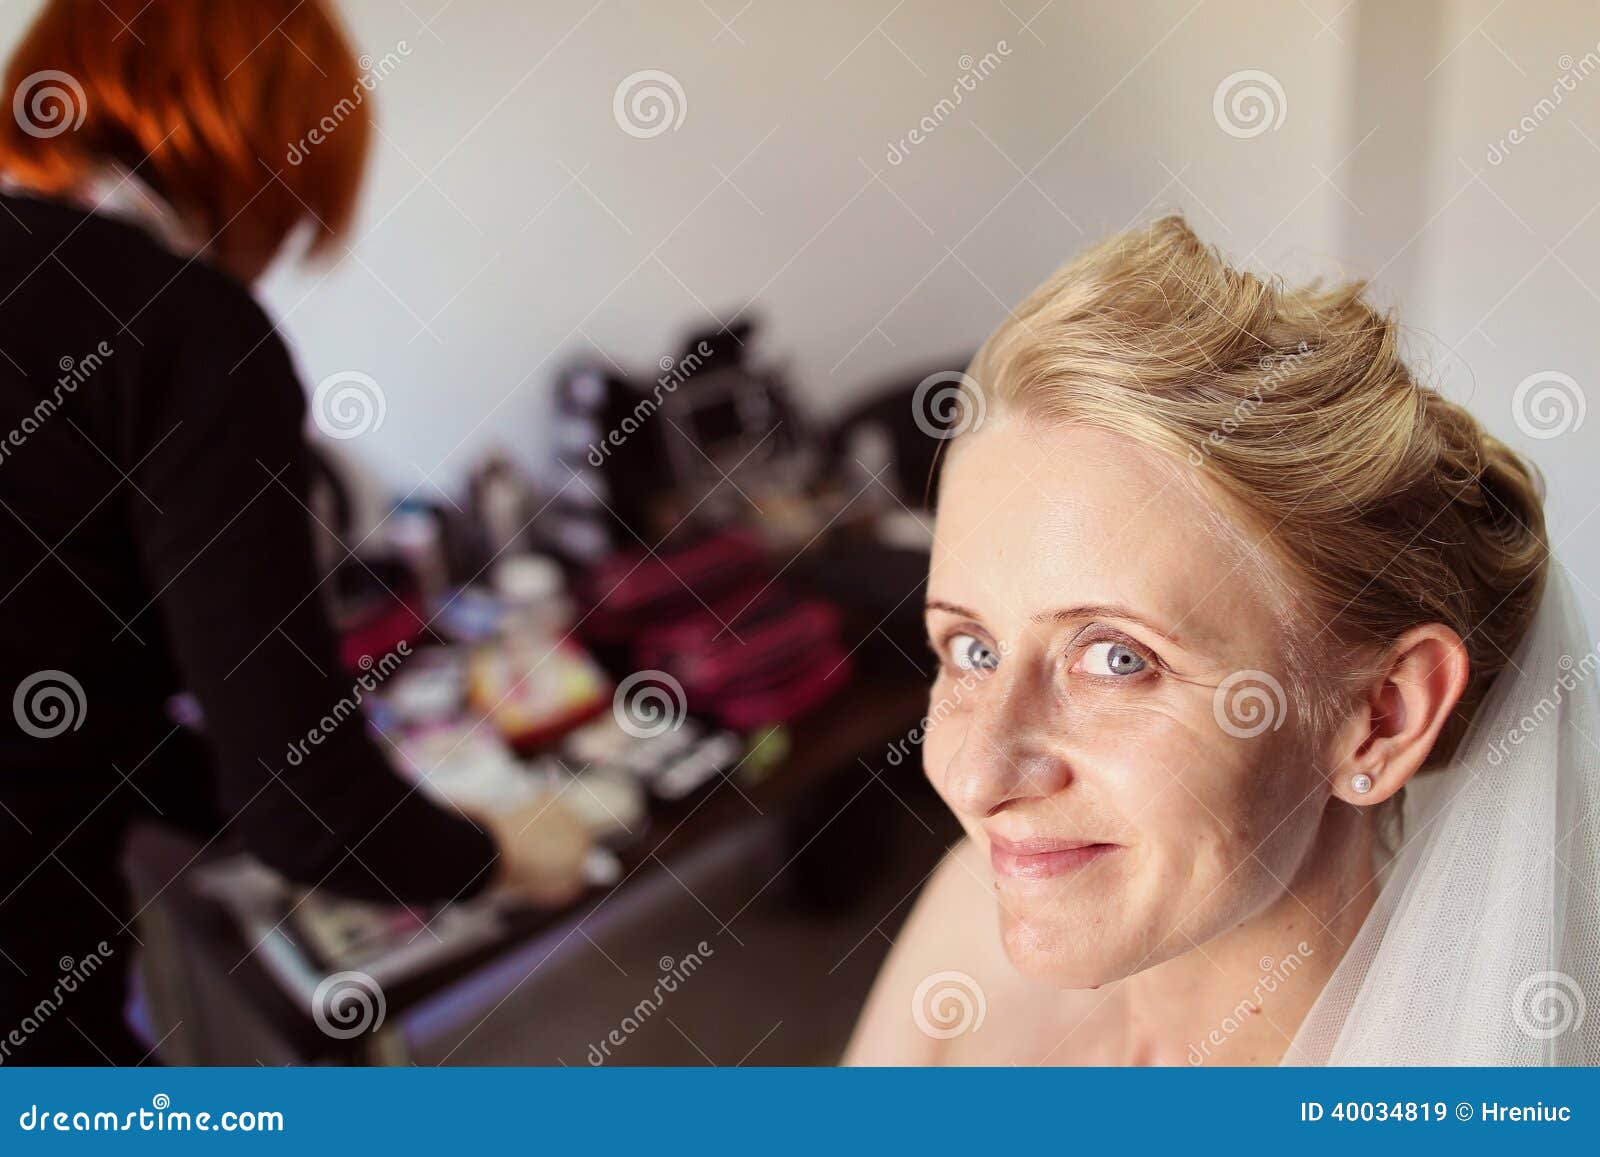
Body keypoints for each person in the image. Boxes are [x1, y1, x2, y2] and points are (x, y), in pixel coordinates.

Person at [846, 215, 1598, 1065]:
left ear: (1383, 715)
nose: (976, 777)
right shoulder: (969, 916)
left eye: (1119, 659)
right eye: (973, 649)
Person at [0, 0, 590, 1065]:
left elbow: (77, 712)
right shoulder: (180, 321)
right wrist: (498, 851)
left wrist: (280, 779)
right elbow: (307, 811)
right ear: (257, 146)